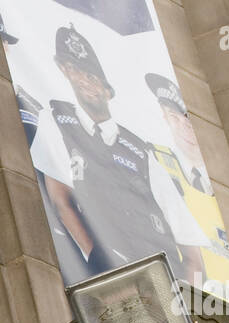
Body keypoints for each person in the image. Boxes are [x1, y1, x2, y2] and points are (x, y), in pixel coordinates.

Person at [40, 24, 209, 282]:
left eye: (93, 76)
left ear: (108, 91)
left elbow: (193, 256)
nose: (84, 81)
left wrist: (182, 301)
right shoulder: (57, 120)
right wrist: (103, 269)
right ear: (64, 71)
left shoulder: (142, 152)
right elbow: (61, 202)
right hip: (108, 278)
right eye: (74, 69)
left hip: (163, 287)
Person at [0, 4, 95, 284]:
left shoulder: (39, 112)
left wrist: (94, 258)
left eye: (3, 42)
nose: (1, 49)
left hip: (45, 236)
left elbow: (61, 197)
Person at [144, 72, 229, 291]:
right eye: (174, 118)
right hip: (189, 294)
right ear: (165, 118)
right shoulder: (156, 161)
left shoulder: (221, 184)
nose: (184, 129)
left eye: (189, 122)